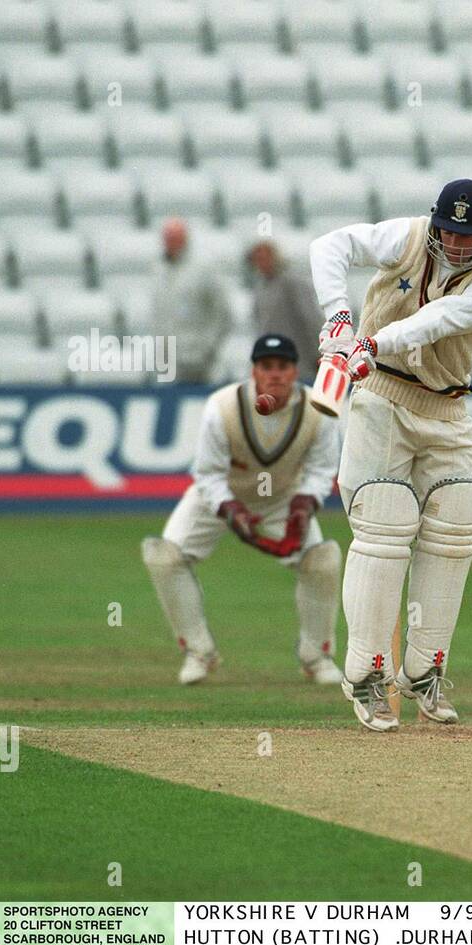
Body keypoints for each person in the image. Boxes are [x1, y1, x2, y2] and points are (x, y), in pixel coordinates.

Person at [308, 178, 472, 732]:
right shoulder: (408, 237)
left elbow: (438, 321)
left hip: (446, 409)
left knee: (458, 521)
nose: (455, 244)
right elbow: (329, 246)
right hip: (379, 399)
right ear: (436, 221)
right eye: (449, 231)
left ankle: (427, 670)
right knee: (381, 526)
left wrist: (372, 343)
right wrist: (337, 315)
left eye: (468, 236)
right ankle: (367, 677)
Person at [141, 333, 343, 686]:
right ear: (254, 371)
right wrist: (231, 510)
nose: (275, 374)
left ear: (295, 371)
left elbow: (323, 469)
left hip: (284, 495)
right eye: (267, 366)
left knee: (322, 560)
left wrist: (305, 503)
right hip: (221, 494)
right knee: (164, 556)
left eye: (283, 366)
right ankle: (198, 652)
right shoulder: (222, 407)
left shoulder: (320, 408)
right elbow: (206, 473)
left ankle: (317, 656)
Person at [150, 218, 232, 384]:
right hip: (168, 359)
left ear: (185, 239)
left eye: (175, 238)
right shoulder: (158, 269)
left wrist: (208, 348)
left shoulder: (203, 268)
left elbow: (223, 313)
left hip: (199, 361)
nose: (170, 243)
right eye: (168, 238)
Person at [248, 240, 324, 381]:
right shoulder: (260, 286)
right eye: (257, 259)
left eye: (265, 257)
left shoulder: (293, 282)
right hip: (273, 357)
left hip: (300, 358)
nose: (261, 263)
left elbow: (311, 318)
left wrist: (320, 353)